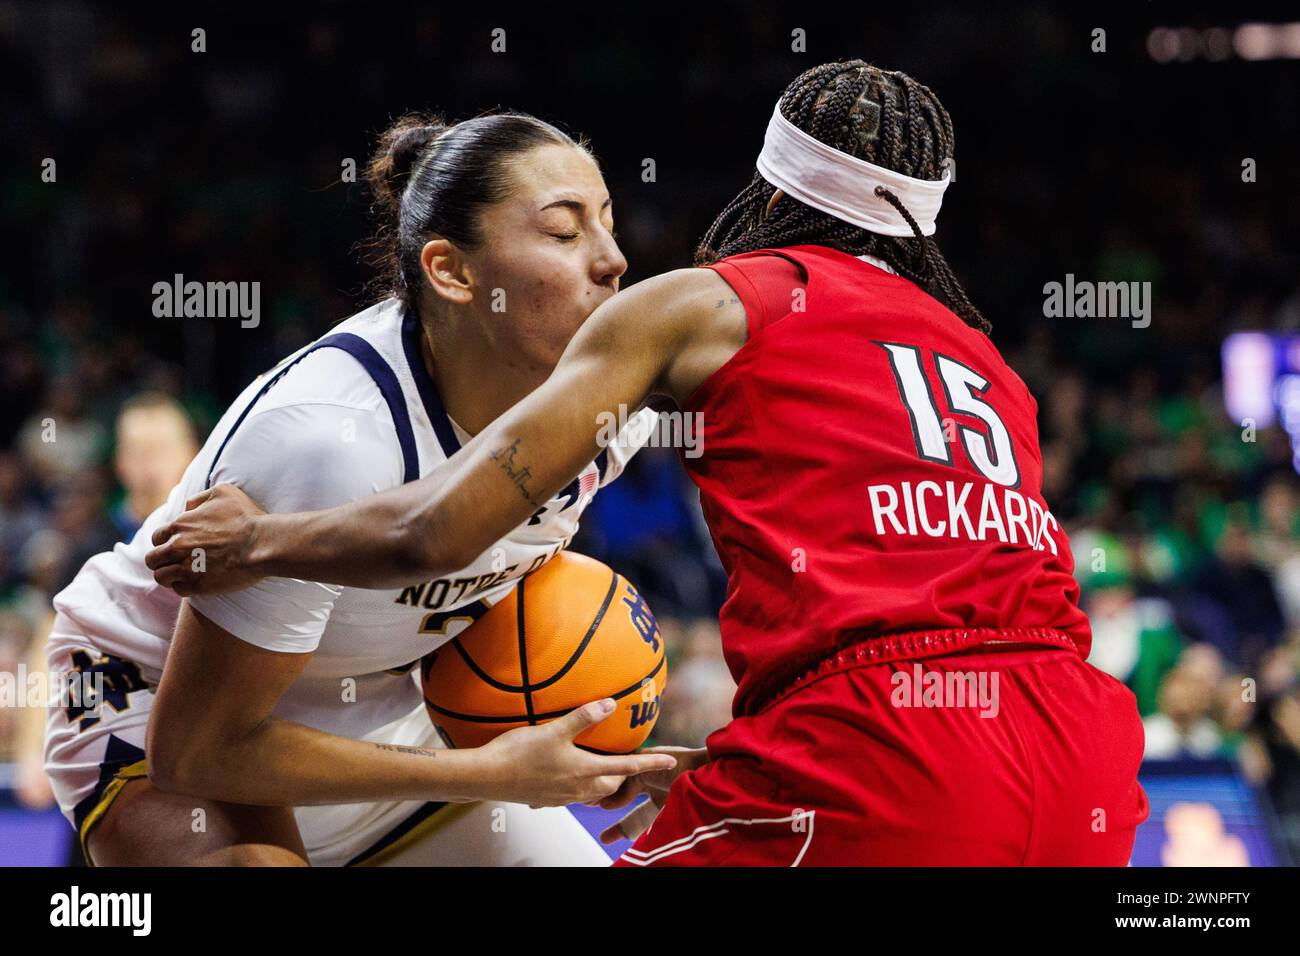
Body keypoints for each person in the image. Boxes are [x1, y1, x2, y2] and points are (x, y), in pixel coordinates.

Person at [148, 61, 1149, 865]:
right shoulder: (984, 356)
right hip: (1082, 743)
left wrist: (261, 539)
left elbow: (432, 528)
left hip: (882, 741)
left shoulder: (711, 300)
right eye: (566, 226)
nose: (614, 257)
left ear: (769, 182)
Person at [42, 111, 676, 867]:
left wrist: (607, 743)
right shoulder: (328, 440)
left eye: (608, 223)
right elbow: (198, 751)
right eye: (565, 233)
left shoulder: (617, 405)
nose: (613, 260)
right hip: (161, 711)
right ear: (451, 271)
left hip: (388, 711)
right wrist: (485, 773)